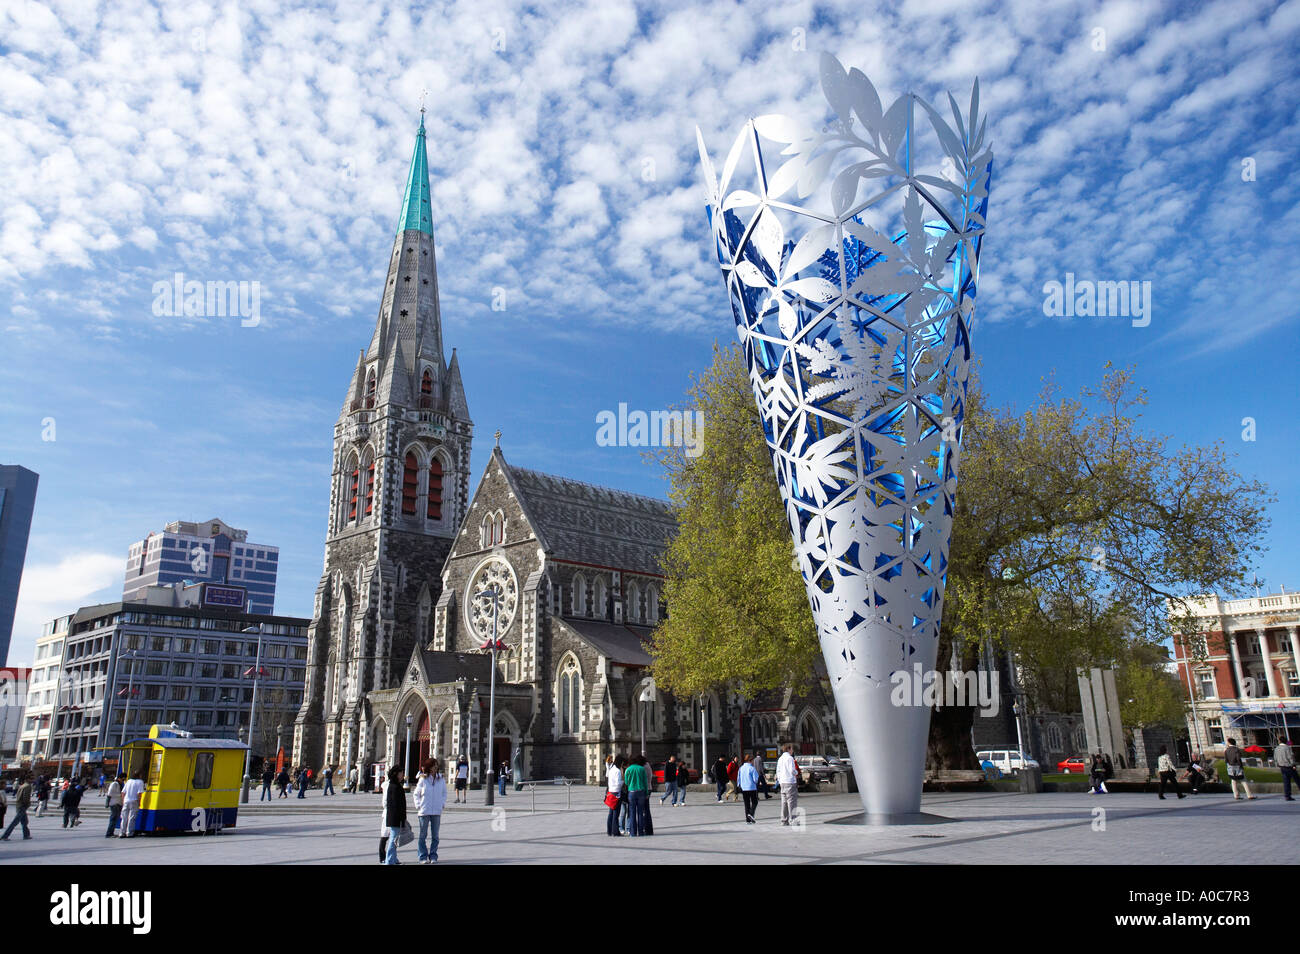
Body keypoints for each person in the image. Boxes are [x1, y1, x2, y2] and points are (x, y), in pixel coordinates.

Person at [413, 758, 447, 863]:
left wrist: (441, 804)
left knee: (435, 836)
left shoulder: (441, 779)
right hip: (424, 810)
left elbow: (444, 793)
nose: (435, 767)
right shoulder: (423, 779)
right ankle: (422, 856)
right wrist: (418, 805)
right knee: (423, 835)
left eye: (436, 765)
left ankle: (433, 856)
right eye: (433, 765)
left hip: (436, 811)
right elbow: (416, 794)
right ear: (429, 767)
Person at [384, 765, 407, 865]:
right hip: (395, 817)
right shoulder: (394, 787)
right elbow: (395, 804)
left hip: (396, 817)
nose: (403, 775)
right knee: (393, 840)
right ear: (396, 774)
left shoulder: (395, 785)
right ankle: (389, 860)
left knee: (395, 839)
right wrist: (401, 817)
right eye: (401, 773)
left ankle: (393, 859)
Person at [625, 754, 652, 836]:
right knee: (640, 813)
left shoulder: (628, 769)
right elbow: (645, 782)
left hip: (632, 792)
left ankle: (633, 832)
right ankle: (641, 832)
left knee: (632, 813)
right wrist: (646, 792)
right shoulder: (641, 769)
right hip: (641, 792)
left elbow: (626, 782)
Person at [1, 775, 32, 840]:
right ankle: (5, 835)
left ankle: (26, 835)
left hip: (19, 805)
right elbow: (26, 797)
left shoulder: (22, 786)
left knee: (25, 821)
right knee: (15, 822)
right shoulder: (28, 786)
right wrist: (27, 804)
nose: (32, 780)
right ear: (28, 779)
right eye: (31, 779)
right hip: (22, 806)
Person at [776, 744, 800, 826]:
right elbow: (792, 770)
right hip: (790, 781)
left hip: (782, 782)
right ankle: (793, 819)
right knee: (791, 802)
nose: (792, 751)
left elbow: (778, 771)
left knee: (784, 802)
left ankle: (784, 820)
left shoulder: (780, 759)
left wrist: (779, 780)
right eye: (791, 749)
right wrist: (796, 772)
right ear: (788, 749)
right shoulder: (790, 758)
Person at [119, 772, 145, 838]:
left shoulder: (128, 781)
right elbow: (139, 794)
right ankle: (129, 833)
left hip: (126, 801)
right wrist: (139, 802)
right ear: (139, 775)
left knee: (124, 817)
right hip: (134, 801)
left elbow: (123, 792)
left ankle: (122, 833)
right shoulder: (140, 782)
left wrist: (123, 801)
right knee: (131, 817)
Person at [605, 754, 624, 836]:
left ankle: (609, 831)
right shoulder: (618, 771)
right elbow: (618, 784)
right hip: (616, 793)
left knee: (611, 813)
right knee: (616, 814)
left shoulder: (612, 769)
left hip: (610, 792)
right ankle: (615, 832)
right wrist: (623, 782)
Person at [738, 755, 760, 823]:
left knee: (746, 803)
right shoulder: (752, 768)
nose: (753, 762)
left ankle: (748, 819)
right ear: (750, 760)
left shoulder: (741, 768)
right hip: (752, 787)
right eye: (752, 760)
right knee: (754, 802)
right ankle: (751, 814)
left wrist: (739, 785)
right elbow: (755, 779)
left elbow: (738, 778)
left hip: (744, 787)